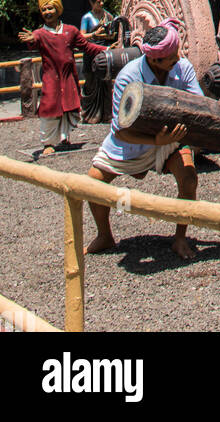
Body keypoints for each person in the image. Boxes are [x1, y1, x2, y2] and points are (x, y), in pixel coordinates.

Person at [86, 19, 201, 261]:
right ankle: (104, 235)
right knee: (93, 182)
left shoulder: (184, 68)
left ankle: (180, 239)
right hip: (132, 142)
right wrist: (154, 141)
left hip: (171, 140)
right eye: (172, 56)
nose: (178, 59)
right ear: (154, 60)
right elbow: (120, 130)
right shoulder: (128, 78)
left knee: (189, 178)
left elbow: (201, 108)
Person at [18, 0, 106, 155]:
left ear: (58, 9)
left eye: (50, 8)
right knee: (50, 107)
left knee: (68, 107)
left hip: (68, 77)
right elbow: (34, 39)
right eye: (44, 10)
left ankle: (64, 138)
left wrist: (108, 50)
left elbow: (87, 46)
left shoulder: (70, 31)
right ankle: (48, 142)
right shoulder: (41, 34)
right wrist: (30, 38)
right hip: (51, 78)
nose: (47, 12)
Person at [80, 0, 117, 124]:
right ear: (92, 3)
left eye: (102, 1)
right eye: (98, 2)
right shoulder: (87, 18)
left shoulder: (108, 16)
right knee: (91, 81)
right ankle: (90, 114)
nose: (101, 4)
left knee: (105, 81)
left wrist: (105, 36)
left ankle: (106, 113)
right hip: (91, 51)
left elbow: (113, 34)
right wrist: (94, 34)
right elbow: (81, 36)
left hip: (105, 51)